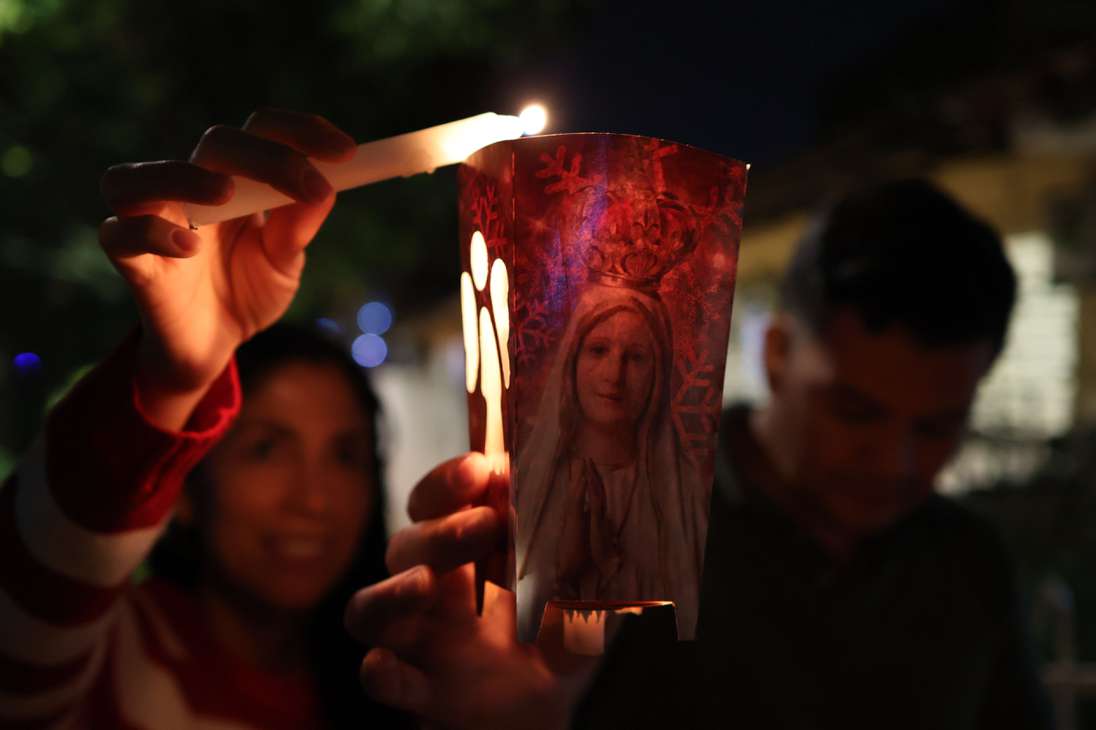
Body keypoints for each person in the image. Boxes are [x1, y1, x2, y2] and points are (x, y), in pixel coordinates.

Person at [346, 179, 1055, 729]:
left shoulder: (966, 564)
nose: (894, 461)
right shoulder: (625, 522)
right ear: (776, 353)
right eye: (854, 412)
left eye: (936, 428)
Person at [0, 110, 409, 728]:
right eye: (267, 449)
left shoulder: (408, 682)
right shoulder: (98, 661)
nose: (314, 500)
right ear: (188, 487)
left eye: (345, 454)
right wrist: (172, 380)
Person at [516, 280, 708, 643]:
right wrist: (566, 572)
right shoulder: (532, 480)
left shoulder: (683, 491)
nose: (614, 374)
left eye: (635, 357)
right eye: (598, 350)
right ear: (572, 361)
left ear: (658, 373)